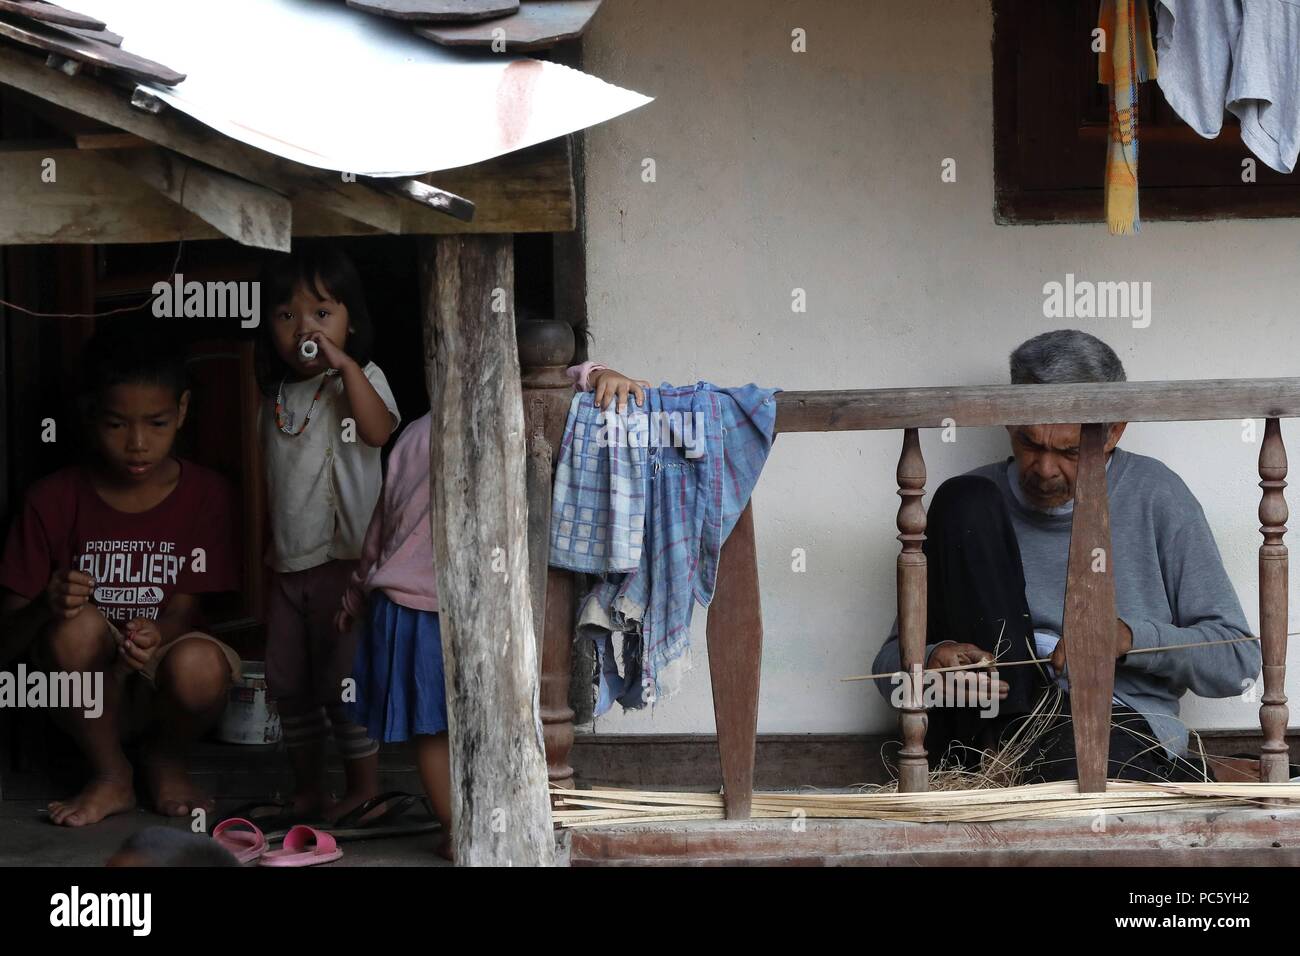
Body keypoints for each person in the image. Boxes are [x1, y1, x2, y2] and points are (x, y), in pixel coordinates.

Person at [874, 329, 1262, 782]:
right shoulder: (971, 509)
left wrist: (1128, 639)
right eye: (1030, 443)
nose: (1044, 468)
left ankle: (1157, 769)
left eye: (1069, 451)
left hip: (1105, 728)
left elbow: (1237, 666)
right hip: (983, 733)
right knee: (963, 499)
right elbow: (887, 673)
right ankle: (1013, 760)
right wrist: (934, 658)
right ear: (1006, 420)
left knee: (1082, 761)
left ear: (1114, 431)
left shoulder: (1156, 495)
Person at [338, 360, 647, 860]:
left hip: (431, 606)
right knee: (449, 727)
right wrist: (599, 375)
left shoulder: (424, 431)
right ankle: (457, 829)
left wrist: (599, 372)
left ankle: (462, 827)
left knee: (442, 729)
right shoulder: (508, 423)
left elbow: (380, 527)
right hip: (429, 608)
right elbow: (385, 522)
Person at [0, 330, 241, 826]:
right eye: (115, 424)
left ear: (182, 410)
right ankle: (111, 774)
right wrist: (49, 604)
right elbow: (4, 641)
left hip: (161, 680)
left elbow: (185, 607)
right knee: (76, 628)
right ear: (90, 416)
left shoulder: (206, 495)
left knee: (201, 665)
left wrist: (161, 633)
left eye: (156, 423)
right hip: (79, 694)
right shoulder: (51, 499)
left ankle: (165, 759)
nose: (137, 445)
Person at [253, 242, 400, 826]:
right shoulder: (274, 397)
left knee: (344, 680)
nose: (303, 329)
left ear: (351, 321)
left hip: (349, 565)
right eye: (286, 316)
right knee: (289, 681)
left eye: (321, 312)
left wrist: (347, 369)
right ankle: (309, 788)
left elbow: (377, 431)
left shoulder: (363, 379)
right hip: (290, 566)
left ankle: (364, 787)